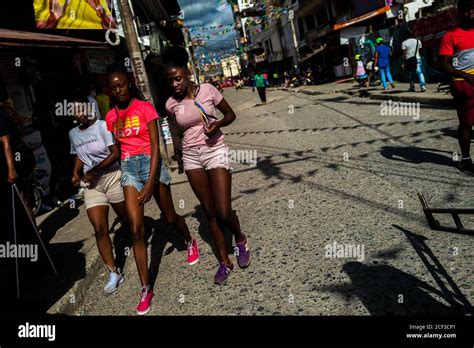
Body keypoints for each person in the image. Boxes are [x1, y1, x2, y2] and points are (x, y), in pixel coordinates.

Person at [105, 63, 199, 315]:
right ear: (110, 91)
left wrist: (149, 184)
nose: (119, 90)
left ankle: (189, 241)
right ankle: (146, 288)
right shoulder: (111, 116)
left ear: (129, 84)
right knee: (136, 230)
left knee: (169, 216)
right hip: (129, 170)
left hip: (152, 164)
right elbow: (119, 149)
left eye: (122, 85)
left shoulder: (145, 108)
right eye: (114, 87)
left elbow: (156, 148)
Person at [162, 46, 251, 285]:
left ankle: (240, 239)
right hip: (192, 157)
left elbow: (230, 115)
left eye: (177, 79)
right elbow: (176, 131)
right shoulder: (170, 104)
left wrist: (217, 124)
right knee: (209, 211)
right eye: (169, 81)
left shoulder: (208, 90)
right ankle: (224, 261)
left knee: (223, 210)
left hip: (215, 150)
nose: (174, 85)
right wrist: (179, 156)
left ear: (187, 73)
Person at [69, 95, 128, 294]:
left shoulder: (102, 126)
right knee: (99, 228)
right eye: (75, 111)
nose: (80, 114)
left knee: (126, 218)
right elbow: (79, 154)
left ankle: (137, 240)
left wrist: (93, 170)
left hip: (112, 176)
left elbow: (115, 153)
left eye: (82, 109)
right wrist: (75, 172)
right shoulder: (73, 133)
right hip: (92, 185)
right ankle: (114, 272)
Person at [440, 0, 474, 173]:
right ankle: (466, 159)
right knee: (466, 123)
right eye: (468, 10)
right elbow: (444, 64)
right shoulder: (451, 35)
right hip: (463, 85)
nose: (472, 13)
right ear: (461, 12)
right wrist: (466, 76)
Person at [0, 96, 36, 224]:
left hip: (18, 160)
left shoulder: (0, 114)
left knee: (23, 200)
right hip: (18, 158)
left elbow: (6, 143)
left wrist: (11, 170)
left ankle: (35, 239)